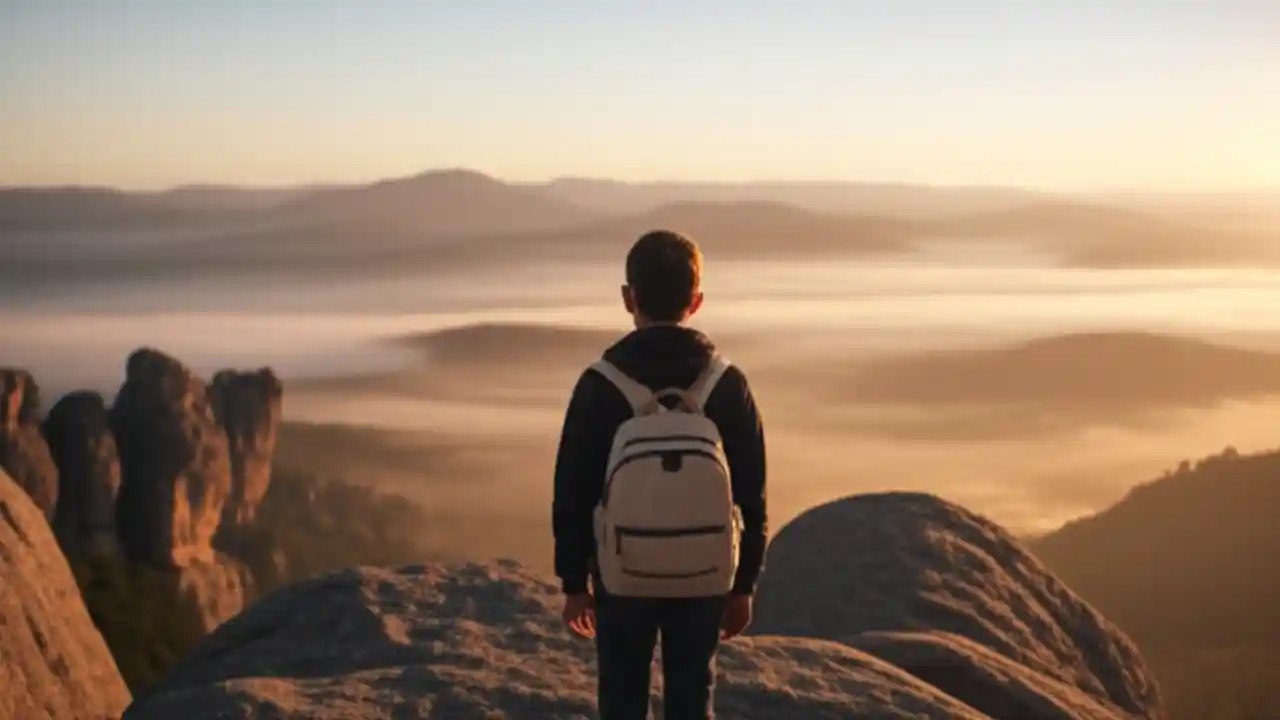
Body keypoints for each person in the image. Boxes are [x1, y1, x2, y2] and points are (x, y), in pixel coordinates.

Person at [553, 229, 768, 720]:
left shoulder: (600, 384)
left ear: (629, 298)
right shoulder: (726, 384)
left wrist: (573, 584)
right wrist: (744, 585)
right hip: (704, 573)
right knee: (693, 698)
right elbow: (751, 492)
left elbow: (572, 488)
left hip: (621, 571)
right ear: (696, 301)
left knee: (622, 698)